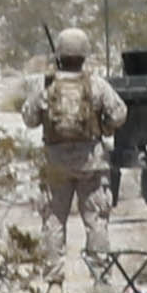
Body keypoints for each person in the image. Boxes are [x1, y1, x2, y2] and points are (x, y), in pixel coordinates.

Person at [23, 46, 120, 261]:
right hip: (91, 163)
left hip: (55, 163)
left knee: (53, 221)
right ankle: (100, 277)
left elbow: (29, 120)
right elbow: (119, 113)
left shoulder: (46, 85)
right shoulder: (96, 84)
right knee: (96, 221)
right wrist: (104, 127)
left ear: (59, 56)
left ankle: (53, 281)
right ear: (83, 57)